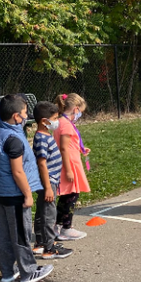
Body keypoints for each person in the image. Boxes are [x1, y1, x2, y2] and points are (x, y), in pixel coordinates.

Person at [0, 94, 53, 282]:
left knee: (6, 235)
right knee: (21, 235)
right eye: (24, 113)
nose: (26, 116)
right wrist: (27, 194)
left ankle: (8, 272)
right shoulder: (13, 139)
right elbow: (17, 171)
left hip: (1, 194)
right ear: (16, 116)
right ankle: (28, 272)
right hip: (15, 195)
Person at [32, 101, 73, 260]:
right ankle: (49, 248)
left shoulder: (45, 135)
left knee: (43, 211)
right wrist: (48, 187)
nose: (57, 122)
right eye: (55, 118)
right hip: (48, 182)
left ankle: (41, 243)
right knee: (49, 215)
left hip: (50, 181)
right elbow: (42, 163)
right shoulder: (41, 138)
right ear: (44, 121)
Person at [53, 93, 90, 241]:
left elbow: (68, 144)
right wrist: (68, 170)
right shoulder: (66, 125)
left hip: (70, 162)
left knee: (67, 195)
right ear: (75, 109)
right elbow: (63, 148)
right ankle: (66, 228)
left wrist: (81, 148)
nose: (80, 114)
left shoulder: (61, 122)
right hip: (69, 165)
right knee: (72, 195)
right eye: (80, 111)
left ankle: (57, 224)